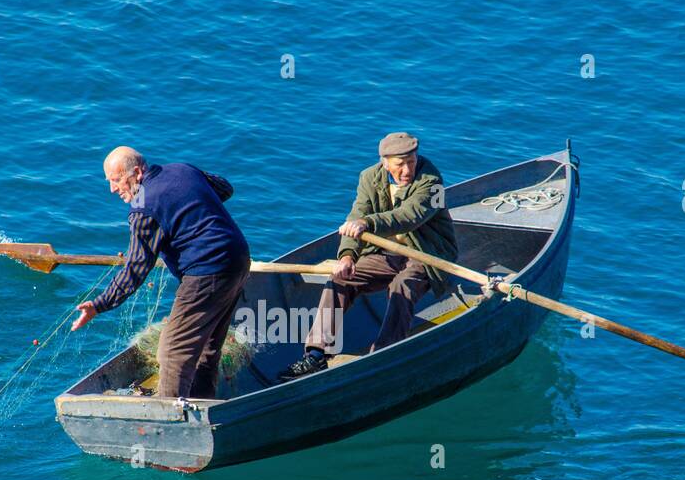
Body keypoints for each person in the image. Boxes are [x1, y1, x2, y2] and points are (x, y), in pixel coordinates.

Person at [277, 132, 458, 382]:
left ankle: (384, 354)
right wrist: (348, 255)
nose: (407, 170)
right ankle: (317, 354)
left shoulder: (432, 180)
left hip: (425, 253)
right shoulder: (369, 178)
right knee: (340, 279)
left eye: (411, 162)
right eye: (400, 164)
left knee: (402, 287)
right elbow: (357, 215)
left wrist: (367, 224)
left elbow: (410, 216)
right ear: (384, 162)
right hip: (386, 254)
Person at [73, 146, 250, 399]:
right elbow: (224, 188)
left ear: (136, 171)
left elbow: (136, 269)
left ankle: (171, 416)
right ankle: (203, 405)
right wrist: (187, 210)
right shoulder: (183, 169)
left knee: (173, 351)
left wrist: (99, 305)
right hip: (238, 259)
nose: (112, 189)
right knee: (207, 346)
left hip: (206, 272)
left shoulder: (143, 208)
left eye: (116, 180)